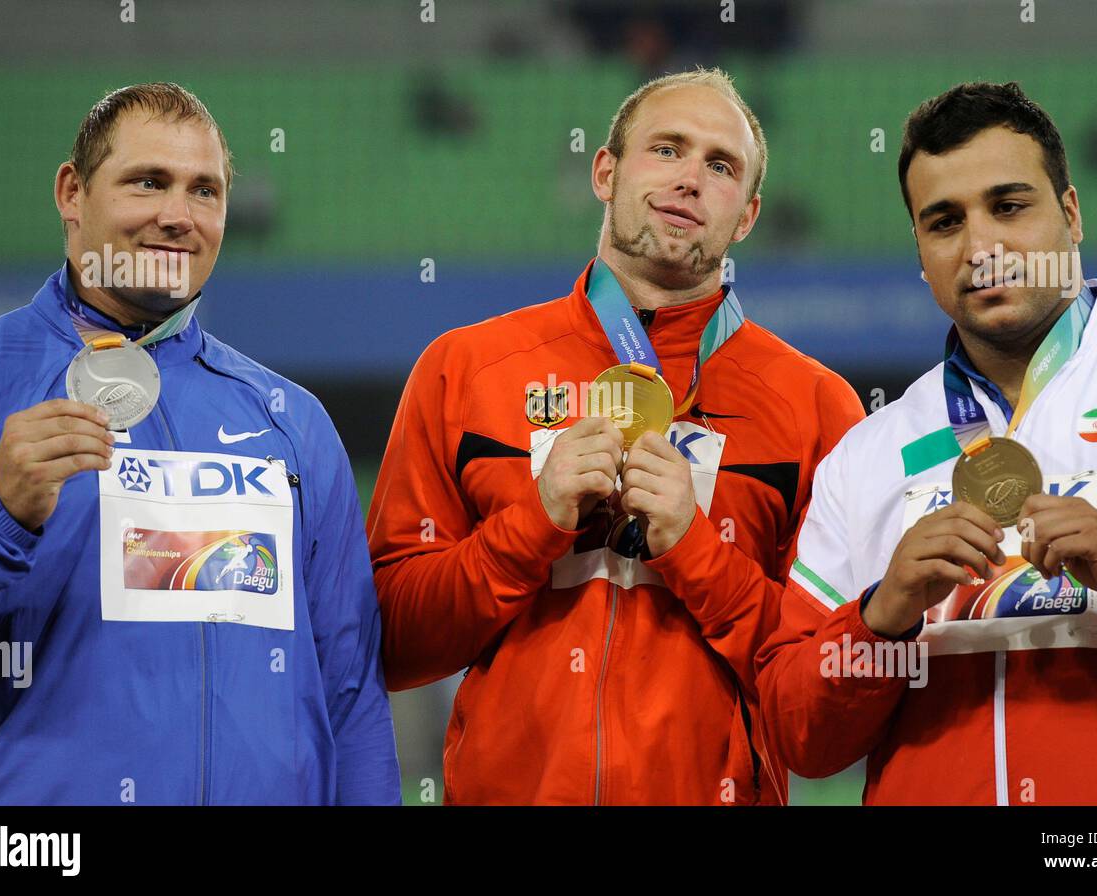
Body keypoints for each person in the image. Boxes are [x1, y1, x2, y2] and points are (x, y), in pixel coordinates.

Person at [367, 67, 864, 804]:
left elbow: (828, 696)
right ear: (605, 171)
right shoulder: (465, 370)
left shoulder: (817, 406)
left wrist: (697, 552)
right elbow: (392, 644)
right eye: (667, 149)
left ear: (749, 214)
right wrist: (532, 525)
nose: (690, 178)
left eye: (720, 166)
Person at [757, 81, 1097, 805]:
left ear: (1071, 215)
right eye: (944, 223)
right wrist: (884, 615)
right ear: (920, 251)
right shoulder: (869, 454)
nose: (982, 246)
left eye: (1009, 207)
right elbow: (801, 738)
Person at [0, 83, 400, 804]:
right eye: (148, 182)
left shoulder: (289, 421)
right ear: (71, 193)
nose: (177, 216)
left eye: (204, 191)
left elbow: (350, 688)